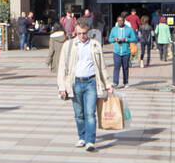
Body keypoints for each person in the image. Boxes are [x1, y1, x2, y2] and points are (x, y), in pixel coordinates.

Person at [57, 17, 112, 151]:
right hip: (75, 83)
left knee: (90, 112)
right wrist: (62, 87)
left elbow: (102, 66)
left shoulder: (95, 45)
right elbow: (62, 67)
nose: (82, 36)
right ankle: (82, 137)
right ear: (75, 32)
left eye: (84, 33)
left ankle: (90, 140)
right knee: (79, 113)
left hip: (91, 82)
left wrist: (108, 84)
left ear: (89, 31)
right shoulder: (68, 45)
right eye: (79, 33)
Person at [109, 13, 138, 87]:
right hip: (117, 52)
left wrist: (126, 39)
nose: (120, 22)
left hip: (126, 52)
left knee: (125, 67)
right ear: (117, 21)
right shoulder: (114, 29)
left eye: (121, 21)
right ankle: (115, 82)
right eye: (118, 21)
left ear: (124, 21)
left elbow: (134, 38)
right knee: (116, 67)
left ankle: (126, 82)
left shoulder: (129, 29)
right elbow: (109, 39)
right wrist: (114, 39)